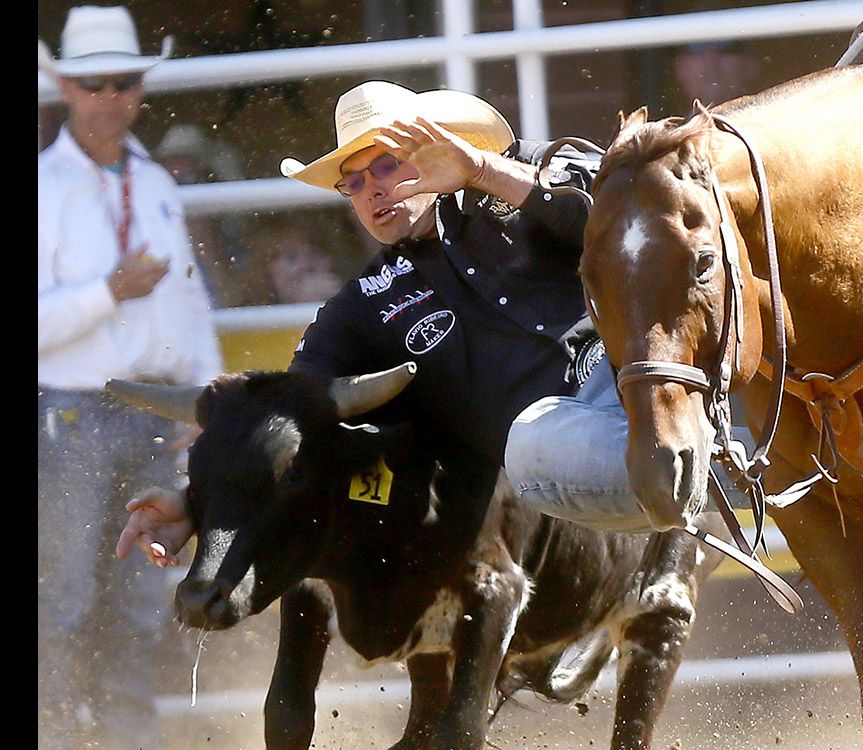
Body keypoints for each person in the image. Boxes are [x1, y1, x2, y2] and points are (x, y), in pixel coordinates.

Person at [116, 79, 667, 573]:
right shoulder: (361, 306)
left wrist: (480, 170)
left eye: (386, 165)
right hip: (570, 457)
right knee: (530, 444)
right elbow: (288, 412)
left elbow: (636, 214)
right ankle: (698, 473)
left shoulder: (518, 169)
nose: (370, 191)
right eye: (351, 184)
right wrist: (195, 500)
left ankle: (703, 465)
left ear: (433, 149)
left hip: (656, 381)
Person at [38, 6, 225, 748]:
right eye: (95, 82)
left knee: (140, 603)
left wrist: (205, 395)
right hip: (70, 416)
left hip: (147, 418)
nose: (110, 95)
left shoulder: (151, 181)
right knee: (66, 597)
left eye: (124, 81)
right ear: (68, 88)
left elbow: (185, 298)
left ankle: (123, 740)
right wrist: (108, 293)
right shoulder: (44, 189)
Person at [154, 123, 254, 307]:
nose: (182, 170)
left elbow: (232, 303)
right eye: (176, 178)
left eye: (192, 176)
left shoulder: (235, 242)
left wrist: (205, 243)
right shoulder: (151, 235)